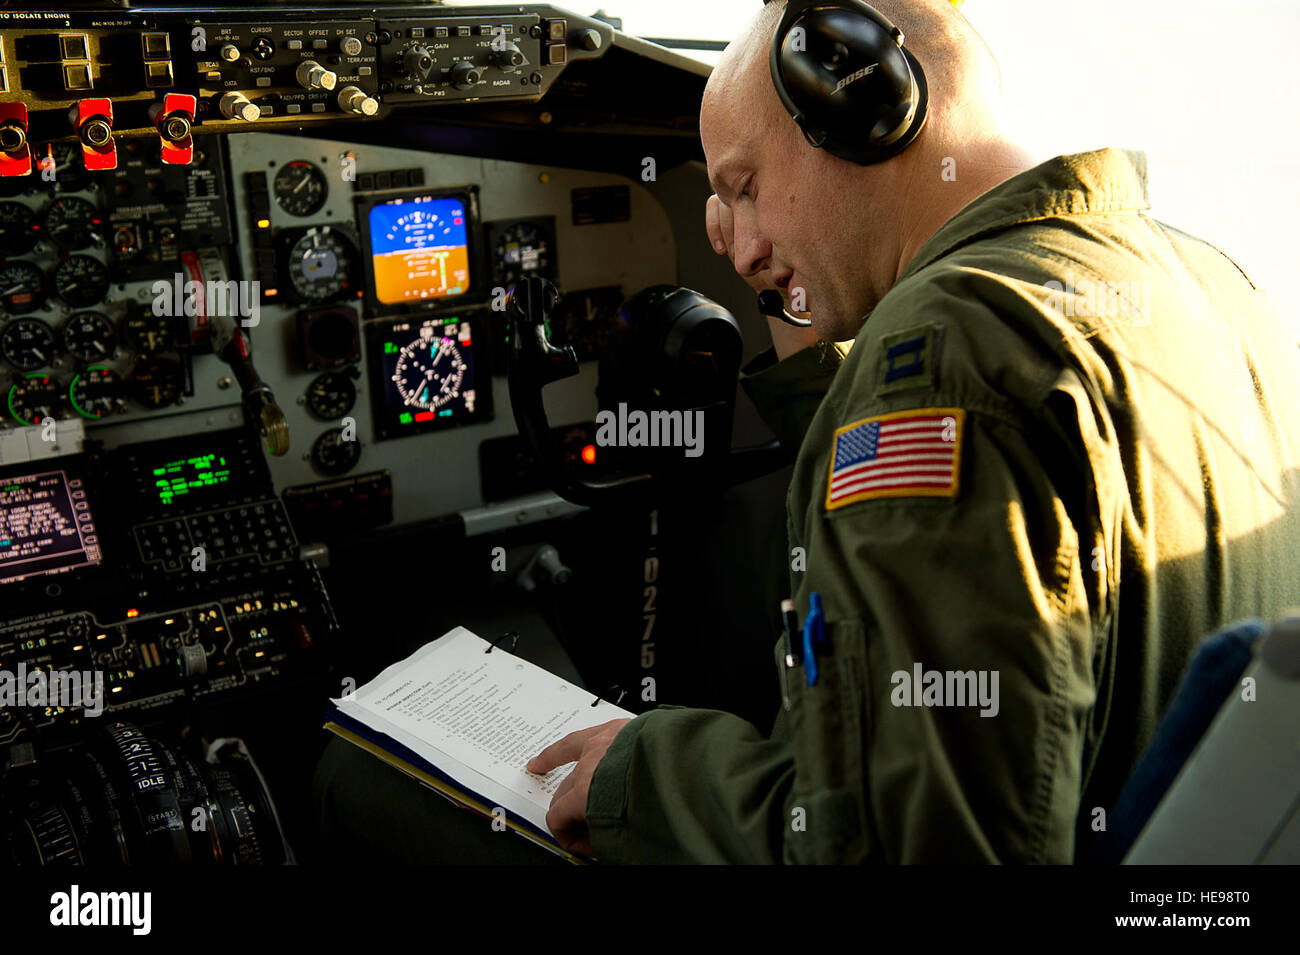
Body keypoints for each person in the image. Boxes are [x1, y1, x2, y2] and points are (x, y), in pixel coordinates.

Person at [315, 0, 1300, 863]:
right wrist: (782, 272)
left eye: (741, 183)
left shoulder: (947, 351)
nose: (736, 243)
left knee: (353, 775)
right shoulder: (1210, 279)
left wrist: (644, 773)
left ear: (861, 107)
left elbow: (901, 847)